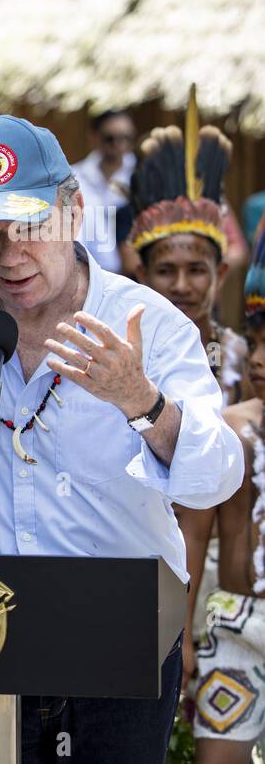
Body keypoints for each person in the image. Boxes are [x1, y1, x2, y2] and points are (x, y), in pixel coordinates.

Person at [0, 112, 243, 764]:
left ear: (74, 210)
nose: (10, 258)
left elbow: (215, 477)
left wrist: (143, 402)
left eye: (31, 227)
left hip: (121, 638)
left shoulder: (150, 323)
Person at [123, 94, 251, 705]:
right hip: (139, 558)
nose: (182, 283)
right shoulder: (122, 365)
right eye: (165, 269)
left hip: (229, 573)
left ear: (220, 274)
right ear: (139, 274)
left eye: (196, 269)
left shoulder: (249, 362)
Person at [193, 234, 265, 764]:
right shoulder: (231, 428)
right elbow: (193, 537)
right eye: (257, 340)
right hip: (236, 627)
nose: (258, 358)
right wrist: (175, 643)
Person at [71, 110, 135, 274]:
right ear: (94, 137)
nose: (118, 144)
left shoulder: (143, 174)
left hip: (134, 274)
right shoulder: (74, 176)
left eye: (125, 138)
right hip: (85, 272)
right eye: (110, 138)